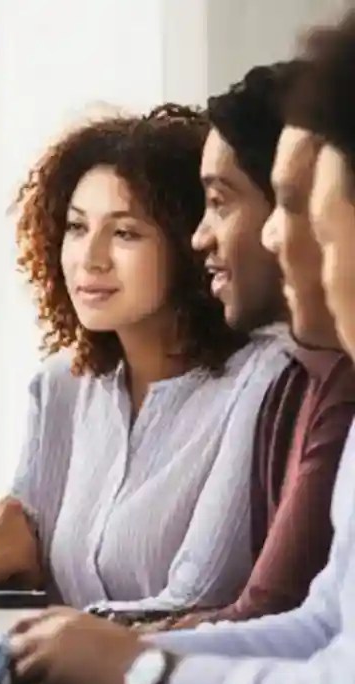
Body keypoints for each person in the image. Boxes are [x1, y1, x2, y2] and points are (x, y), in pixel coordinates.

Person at [4, 12, 355, 684]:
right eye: (76, 227)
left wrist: (140, 672)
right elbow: (321, 627)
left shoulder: (279, 377)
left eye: (301, 209)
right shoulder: (62, 387)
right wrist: (116, 659)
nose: (281, 237)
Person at [0, 104, 290, 614]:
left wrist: (65, 638)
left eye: (126, 232)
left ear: (187, 244)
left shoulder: (261, 378)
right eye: (76, 227)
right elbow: (18, 568)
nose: (90, 258)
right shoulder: (61, 385)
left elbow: (199, 598)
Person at [166, 62, 355, 628]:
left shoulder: (333, 389)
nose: (198, 237)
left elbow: (277, 619)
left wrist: (135, 661)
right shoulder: (298, 378)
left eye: (292, 201)